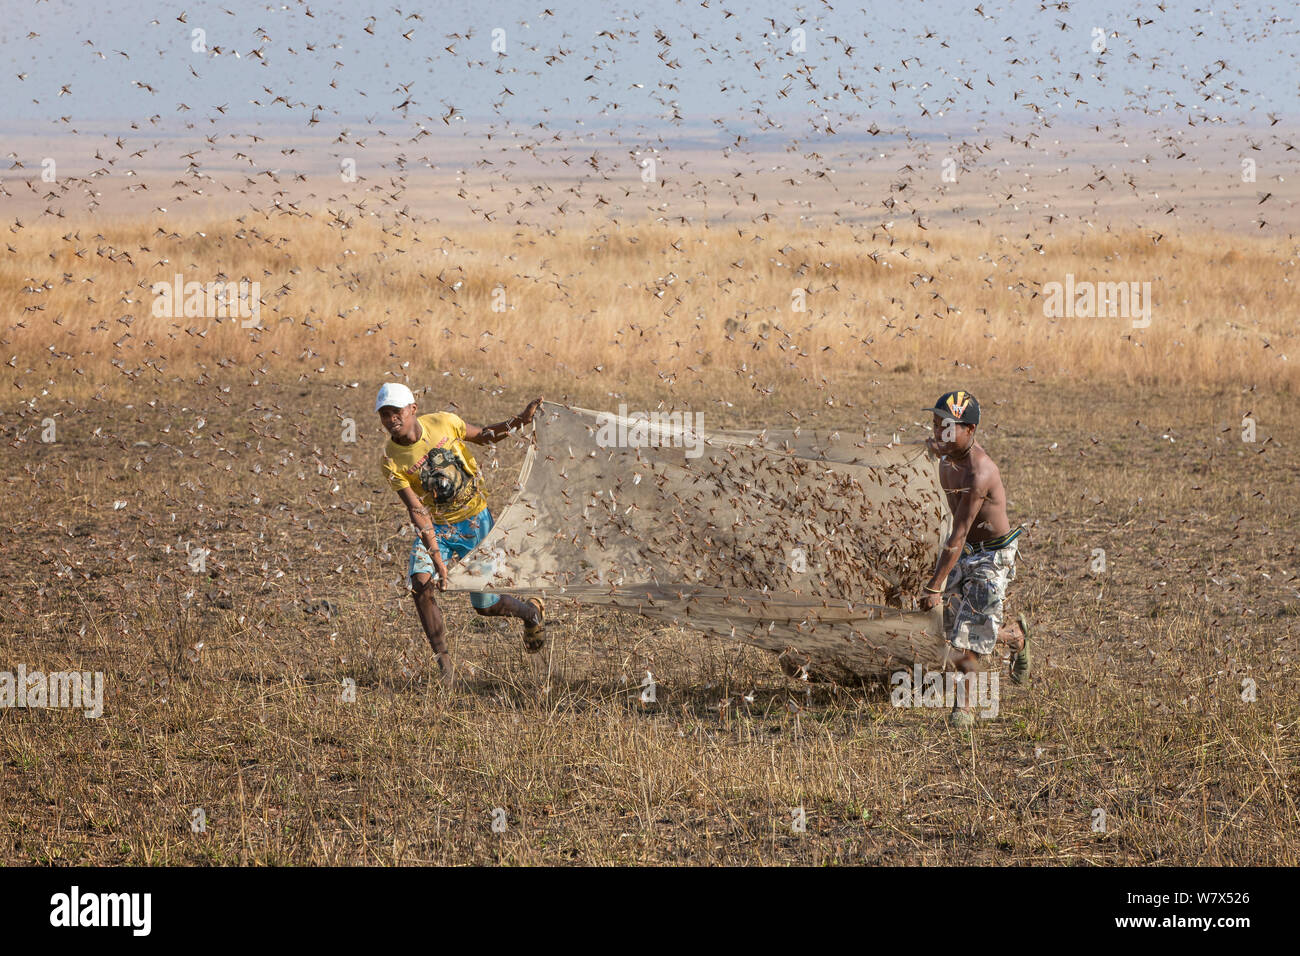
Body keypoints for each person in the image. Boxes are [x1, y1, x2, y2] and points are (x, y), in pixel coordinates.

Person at [376, 382, 545, 686]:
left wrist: (521, 420)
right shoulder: (390, 459)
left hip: (475, 522)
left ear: (413, 409)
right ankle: (446, 671)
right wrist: (437, 559)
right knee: (420, 586)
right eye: (384, 414)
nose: (391, 419)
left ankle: (530, 612)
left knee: (486, 607)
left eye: (396, 411)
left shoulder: (444, 422)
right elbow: (417, 510)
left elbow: (485, 436)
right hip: (437, 528)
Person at [918, 390, 1031, 728]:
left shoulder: (978, 472)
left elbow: (961, 531)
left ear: (970, 429)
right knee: (955, 626)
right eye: (936, 424)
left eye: (948, 427)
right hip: (965, 550)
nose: (940, 432)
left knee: (967, 631)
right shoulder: (945, 454)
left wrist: (934, 585)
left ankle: (963, 709)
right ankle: (1015, 636)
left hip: (992, 552)